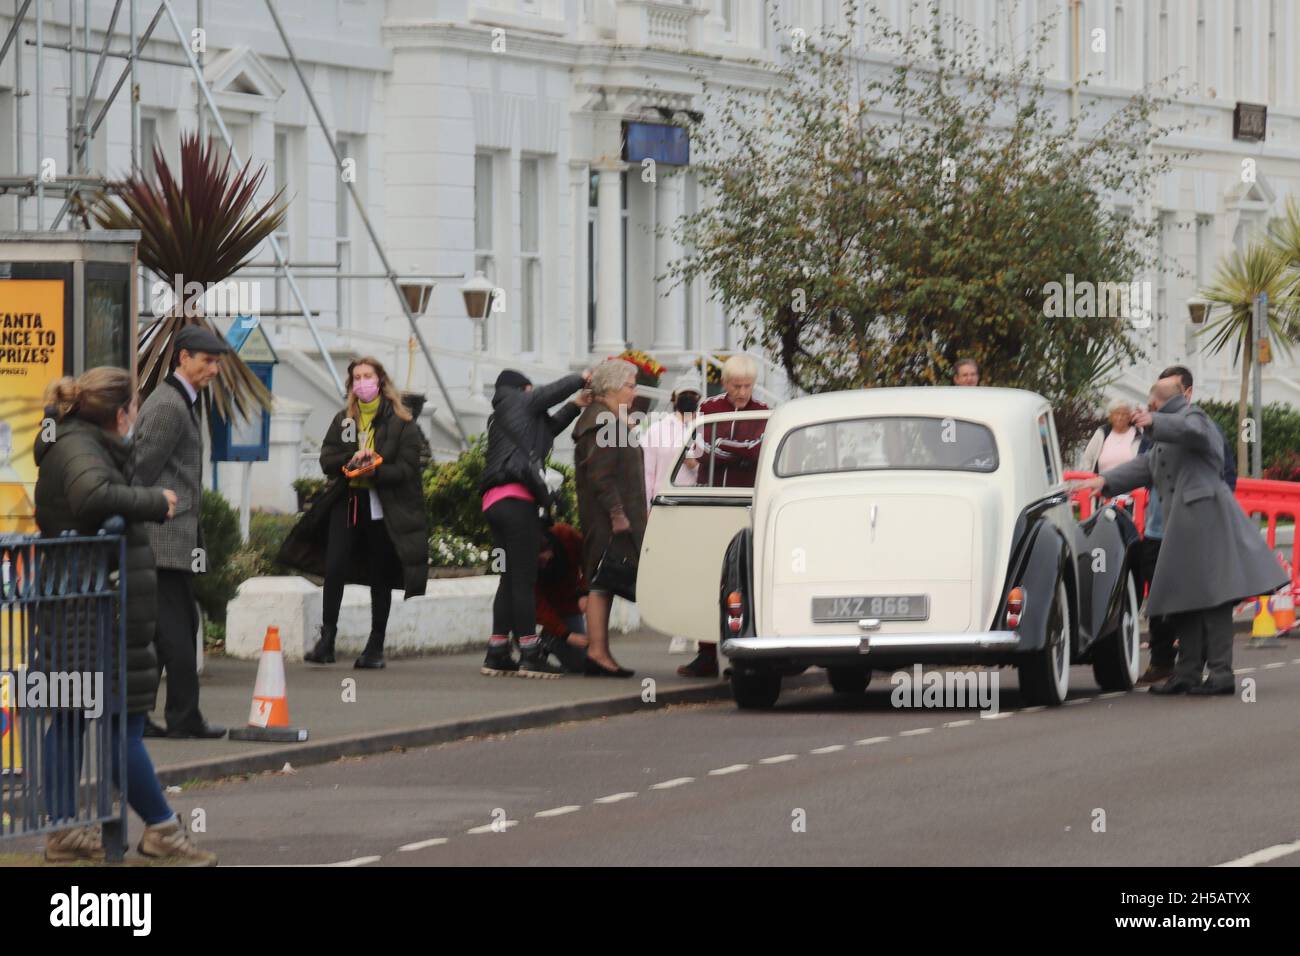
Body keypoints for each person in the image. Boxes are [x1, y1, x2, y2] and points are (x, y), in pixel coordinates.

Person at [34, 368, 216, 864]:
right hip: (97, 611)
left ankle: (65, 829)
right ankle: (161, 829)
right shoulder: (80, 448)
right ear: (120, 413)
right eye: (134, 406)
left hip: (81, 606)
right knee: (122, 726)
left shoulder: (77, 441)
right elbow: (93, 498)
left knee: (72, 719)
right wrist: (155, 502)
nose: (137, 415)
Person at [1075, 375, 1287, 695]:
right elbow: (1146, 466)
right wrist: (1103, 482)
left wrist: (1156, 420)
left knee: (1215, 598)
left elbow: (1196, 433)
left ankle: (1221, 674)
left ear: (1157, 404)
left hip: (1208, 520)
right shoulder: (1163, 435)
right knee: (1183, 598)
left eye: (1150, 407)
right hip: (1184, 526)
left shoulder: (1194, 416)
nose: (1145, 413)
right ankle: (1187, 672)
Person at [282, 357, 431, 668]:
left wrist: (375, 467)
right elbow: (327, 459)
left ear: (380, 381)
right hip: (348, 501)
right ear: (351, 385)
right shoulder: (344, 420)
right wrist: (351, 460)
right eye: (357, 377)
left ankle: (375, 646)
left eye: (368, 376)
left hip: (382, 504)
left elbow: (407, 470)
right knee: (334, 566)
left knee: (381, 573)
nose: (363, 382)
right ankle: (327, 640)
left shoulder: (401, 422)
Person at [129, 323, 227, 740]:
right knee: (178, 631)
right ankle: (183, 718)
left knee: (158, 631)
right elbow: (139, 469)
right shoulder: (170, 405)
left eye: (218, 362)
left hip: (167, 536)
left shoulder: (179, 400)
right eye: (207, 361)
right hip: (161, 537)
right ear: (183, 358)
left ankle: (136, 718)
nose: (214, 370)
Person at [479, 368, 591, 678]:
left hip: (494, 505)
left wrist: (575, 405)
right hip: (517, 503)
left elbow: (548, 430)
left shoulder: (504, 415)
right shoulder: (520, 401)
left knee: (508, 578)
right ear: (525, 389)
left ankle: (498, 650)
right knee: (525, 580)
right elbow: (550, 393)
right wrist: (582, 377)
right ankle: (530, 651)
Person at [680, 355, 769, 677]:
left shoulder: (763, 412)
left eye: (747, 386)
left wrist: (727, 447)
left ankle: (742, 657)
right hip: (711, 499)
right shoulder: (709, 409)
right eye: (736, 386)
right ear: (725, 384)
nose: (742, 392)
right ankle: (706, 654)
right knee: (708, 577)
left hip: (745, 503)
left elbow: (759, 450)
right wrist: (739, 450)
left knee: (743, 580)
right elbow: (703, 450)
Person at [573, 359, 646, 678]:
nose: (634, 392)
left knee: (603, 582)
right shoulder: (604, 422)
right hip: (607, 519)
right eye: (630, 386)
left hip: (607, 516)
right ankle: (597, 653)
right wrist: (617, 514)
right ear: (614, 388)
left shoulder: (609, 420)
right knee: (602, 582)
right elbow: (601, 476)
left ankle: (599, 652)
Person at [1159, 364, 1237, 490]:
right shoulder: (1153, 428)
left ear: (1188, 392)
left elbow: (1227, 474)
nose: (1163, 397)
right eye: (1160, 391)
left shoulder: (1210, 429)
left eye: (1170, 390)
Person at [535, 522, 590, 673]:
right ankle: (540, 642)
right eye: (539, 560)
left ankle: (550, 638)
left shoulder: (566, 534)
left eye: (546, 551)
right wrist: (566, 635)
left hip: (568, 604)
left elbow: (588, 560)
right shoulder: (524, 568)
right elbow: (538, 608)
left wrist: (584, 591)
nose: (547, 558)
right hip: (547, 609)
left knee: (581, 664)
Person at [643, 375, 702, 503]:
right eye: (683, 394)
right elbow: (647, 474)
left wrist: (695, 466)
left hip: (696, 503)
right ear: (674, 398)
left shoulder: (707, 428)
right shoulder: (656, 430)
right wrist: (647, 507)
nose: (688, 397)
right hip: (664, 503)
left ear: (698, 399)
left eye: (693, 394)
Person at [1079, 399, 1148, 473]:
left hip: (1129, 483)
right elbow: (1088, 458)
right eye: (1117, 414)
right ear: (1110, 416)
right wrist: (1089, 478)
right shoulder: (1102, 433)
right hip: (1100, 482)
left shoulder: (1138, 436)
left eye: (1124, 414)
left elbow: (1143, 462)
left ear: (1129, 417)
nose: (1120, 418)